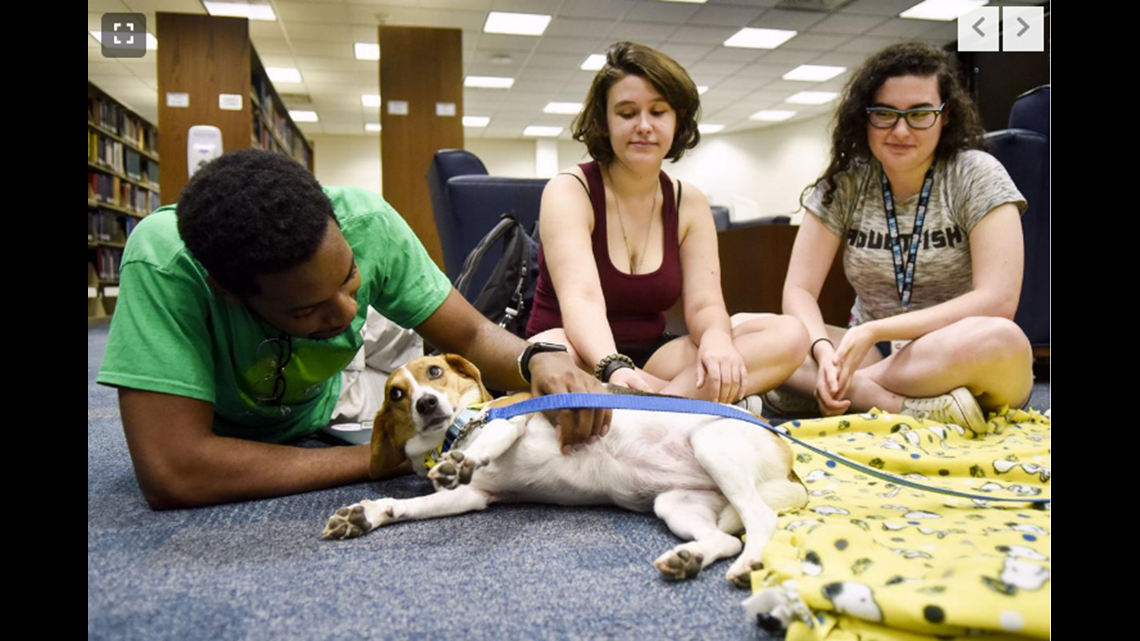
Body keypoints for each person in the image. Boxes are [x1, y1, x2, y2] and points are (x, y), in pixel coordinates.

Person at [97, 149, 609, 510]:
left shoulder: (366, 222)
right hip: (294, 409)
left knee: (437, 388)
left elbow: (471, 334)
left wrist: (536, 358)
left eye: (349, 279)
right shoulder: (166, 266)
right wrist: (382, 458)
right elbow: (175, 471)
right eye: (308, 309)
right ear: (230, 292)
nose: (344, 313)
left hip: (343, 379)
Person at [759, 42, 1033, 431]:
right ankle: (896, 404)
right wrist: (821, 350)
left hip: (959, 352)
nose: (901, 130)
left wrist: (876, 330)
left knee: (1001, 338)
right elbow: (799, 291)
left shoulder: (976, 174)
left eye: (920, 114)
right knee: (755, 332)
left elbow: (998, 300)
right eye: (885, 114)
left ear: (945, 116)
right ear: (864, 117)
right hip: (868, 352)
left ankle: (845, 390)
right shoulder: (845, 183)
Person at [526, 42, 808, 405]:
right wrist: (612, 367)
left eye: (658, 112)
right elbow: (582, 299)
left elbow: (705, 305)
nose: (644, 126)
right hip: (578, 353)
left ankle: (651, 404)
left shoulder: (688, 201)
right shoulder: (569, 190)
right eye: (627, 113)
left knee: (790, 334)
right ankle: (677, 404)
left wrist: (717, 342)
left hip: (654, 358)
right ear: (604, 120)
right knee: (548, 350)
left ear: (677, 119)